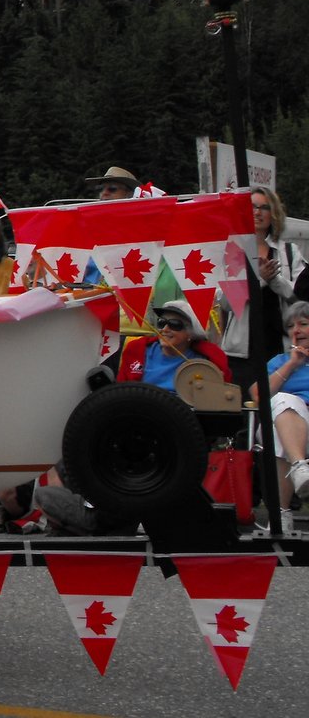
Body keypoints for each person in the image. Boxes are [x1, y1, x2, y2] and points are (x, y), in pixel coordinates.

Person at [219, 186, 302, 383]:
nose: (257, 212)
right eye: (253, 207)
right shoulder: (232, 250)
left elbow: (301, 296)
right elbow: (225, 303)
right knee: (246, 401)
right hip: (242, 353)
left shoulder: (289, 251)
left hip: (281, 348)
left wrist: (275, 280)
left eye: (264, 207)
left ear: (274, 213)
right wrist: (261, 280)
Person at [258, 301, 309, 508]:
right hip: (282, 422)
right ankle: (299, 466)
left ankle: (280, 514)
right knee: (283, 401)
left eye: (303, 324)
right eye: (290, 326)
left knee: (278, 434)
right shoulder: (280, 361)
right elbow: (257, 395)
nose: (295, 330)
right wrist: (292, 364)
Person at [118, 299, 230, 388]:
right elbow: (121, 389)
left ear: (190, 333)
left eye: (174, 324)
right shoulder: (137, 349)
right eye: (161, 323)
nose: (165, 329)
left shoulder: (207, 359)